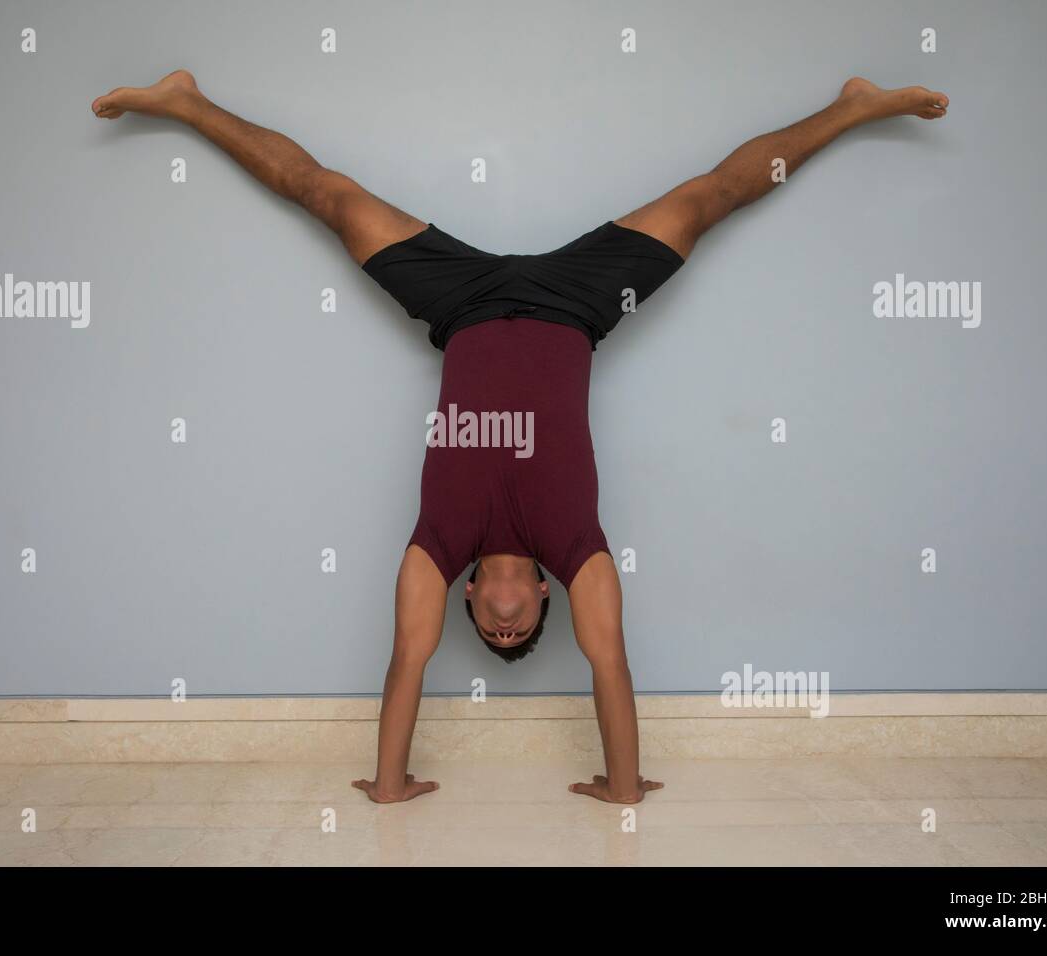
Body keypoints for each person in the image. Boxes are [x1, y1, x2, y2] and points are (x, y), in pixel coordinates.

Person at [93, 70, 948, 803]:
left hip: (460, 305)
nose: (504, 623)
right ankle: (854, 106)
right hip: (576, 308)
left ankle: (186, 102)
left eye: (492, 632)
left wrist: (389, 789)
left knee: (329, 194)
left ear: (470, 598)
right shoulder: (576, 548)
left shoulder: (439, 548)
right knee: (707, 198)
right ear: (543, 597)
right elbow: (609, 664)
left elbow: (406, 664)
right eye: (518, 631)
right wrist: (621, 788)